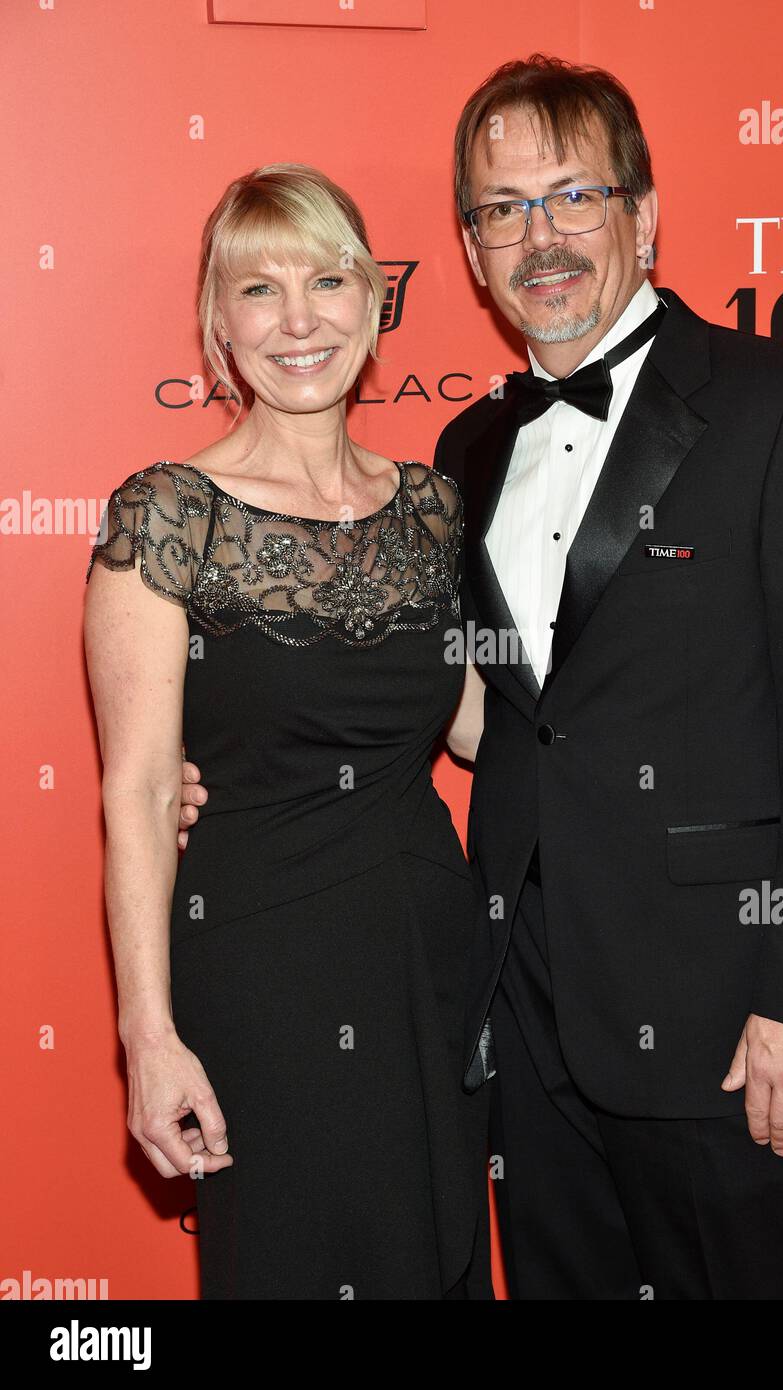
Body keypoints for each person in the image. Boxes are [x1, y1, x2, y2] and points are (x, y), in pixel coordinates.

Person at [181, 57, 783, 1300]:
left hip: (730, 1025)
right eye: (503, 208)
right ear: (469, 251)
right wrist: (223, 773)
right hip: (519, 1024)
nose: (542, 237)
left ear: (644, 213)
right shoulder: (468, 453)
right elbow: (460, 705)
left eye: (575, 195)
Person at [84, 162, 492, 1300]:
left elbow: (475, 729)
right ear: (218, 324)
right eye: (258, 291)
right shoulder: (165, 515)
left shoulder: (433, 508)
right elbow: (139, 791)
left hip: (431, 957)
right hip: (263, 966)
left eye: (327, 279)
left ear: (374, 303)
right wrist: (148, 1036)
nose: (299, 318)